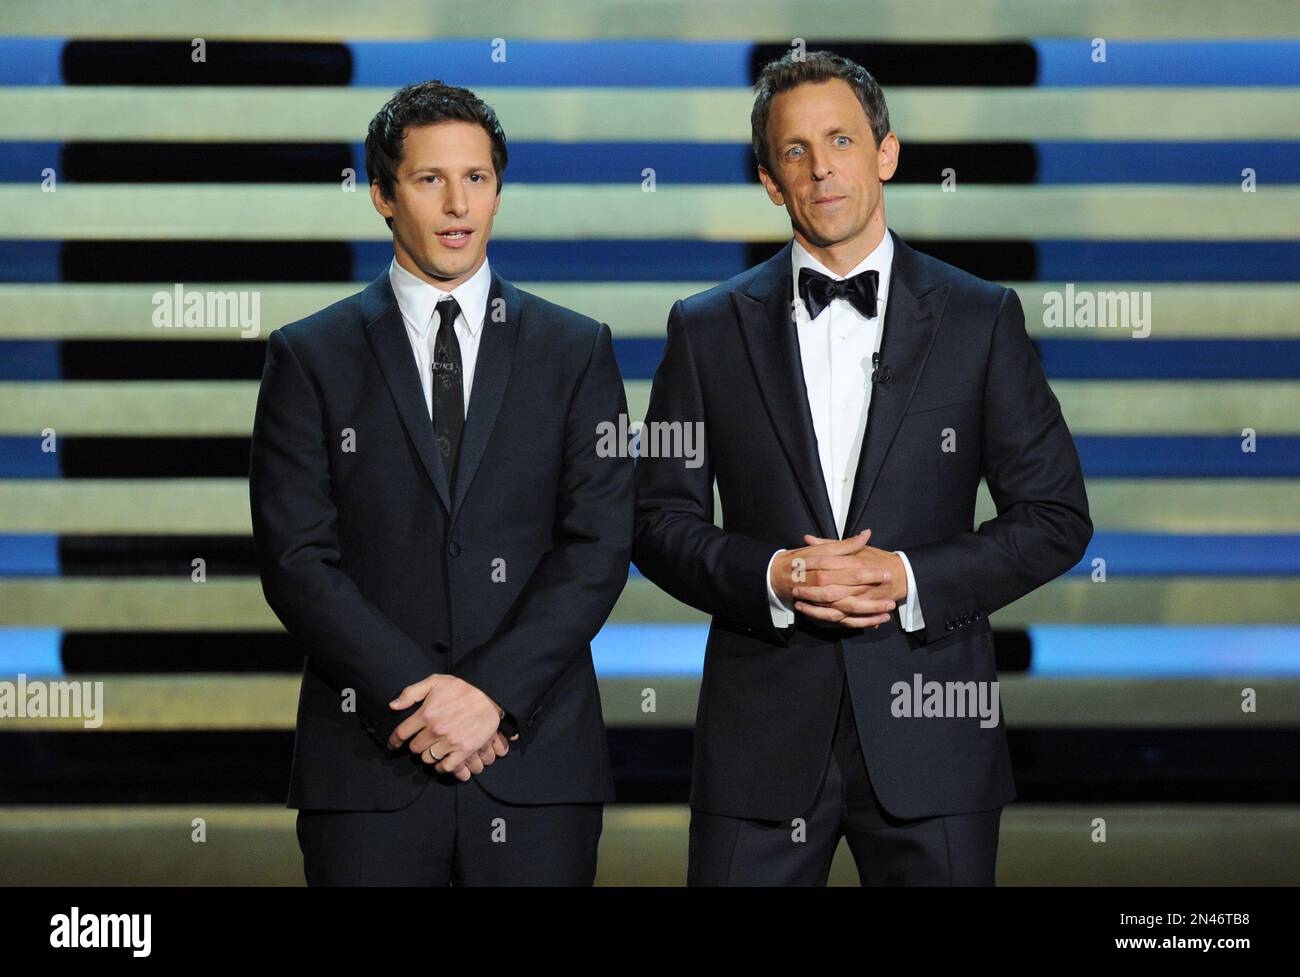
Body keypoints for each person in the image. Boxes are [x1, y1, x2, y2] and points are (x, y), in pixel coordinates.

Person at [633, 50, 1092, 885]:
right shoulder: (704, 329)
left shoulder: (981, 317)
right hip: (758, 749)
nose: (821, 168)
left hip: (934, 736)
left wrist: (908, 576)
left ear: (886, 152)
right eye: (795, 151)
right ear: (771, 180)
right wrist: (775, 573)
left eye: (840, 139)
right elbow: (658, 522)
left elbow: (1056, 517)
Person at [249, 80, 634, 885]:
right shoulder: (309, 357)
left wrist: (491, 695)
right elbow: (297, 561)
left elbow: (597, 546)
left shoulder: (575, 350)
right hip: (369, 767)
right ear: (383, 195)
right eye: (430, 180)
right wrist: (424, 704)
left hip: (535, 765)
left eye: (478, 178)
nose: (458, 203)